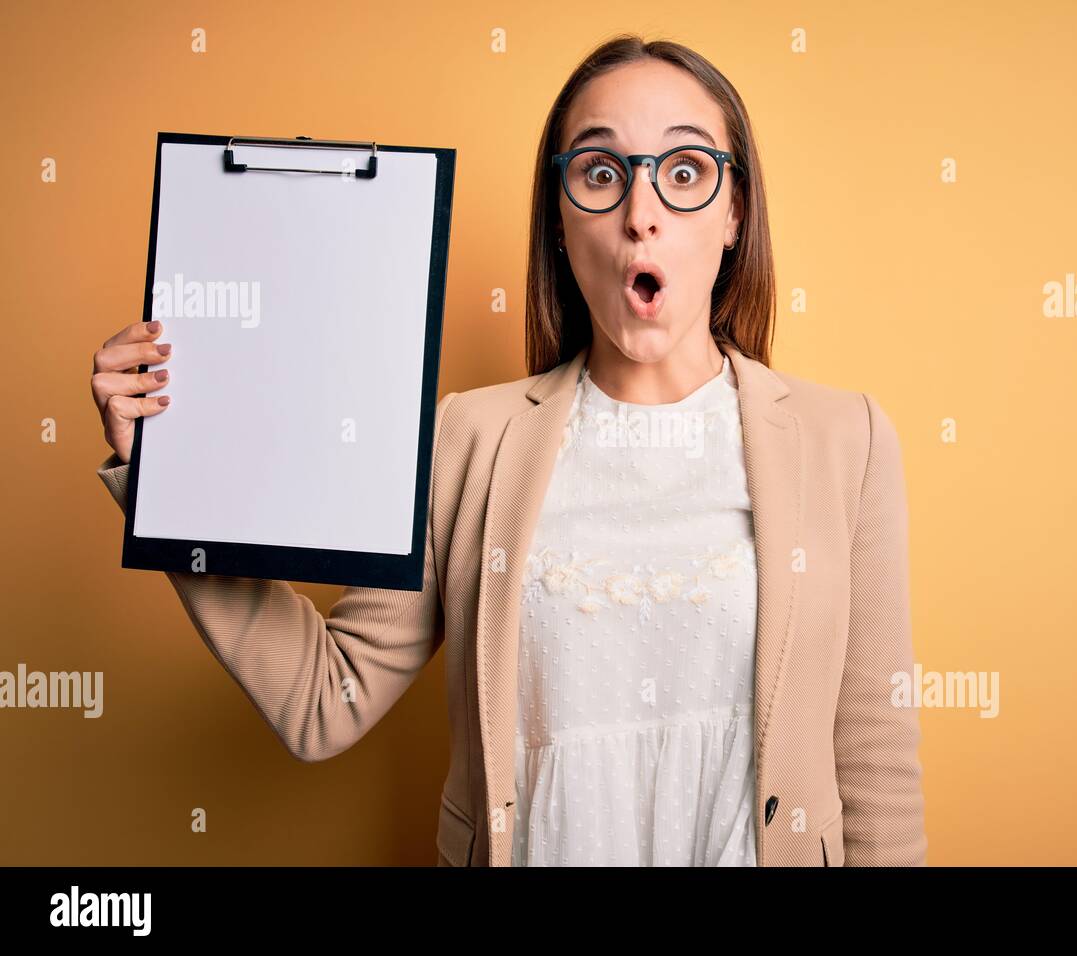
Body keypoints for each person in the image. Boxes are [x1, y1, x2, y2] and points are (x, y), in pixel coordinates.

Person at [89, 34, 926, 867]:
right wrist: (169, 484)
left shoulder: (843, 440)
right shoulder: (467, 439)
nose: (643, 213)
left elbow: (877, 767)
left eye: (684, 171)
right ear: (559, 220)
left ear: (736, 211)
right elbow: (321, 703)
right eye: (601, 174)